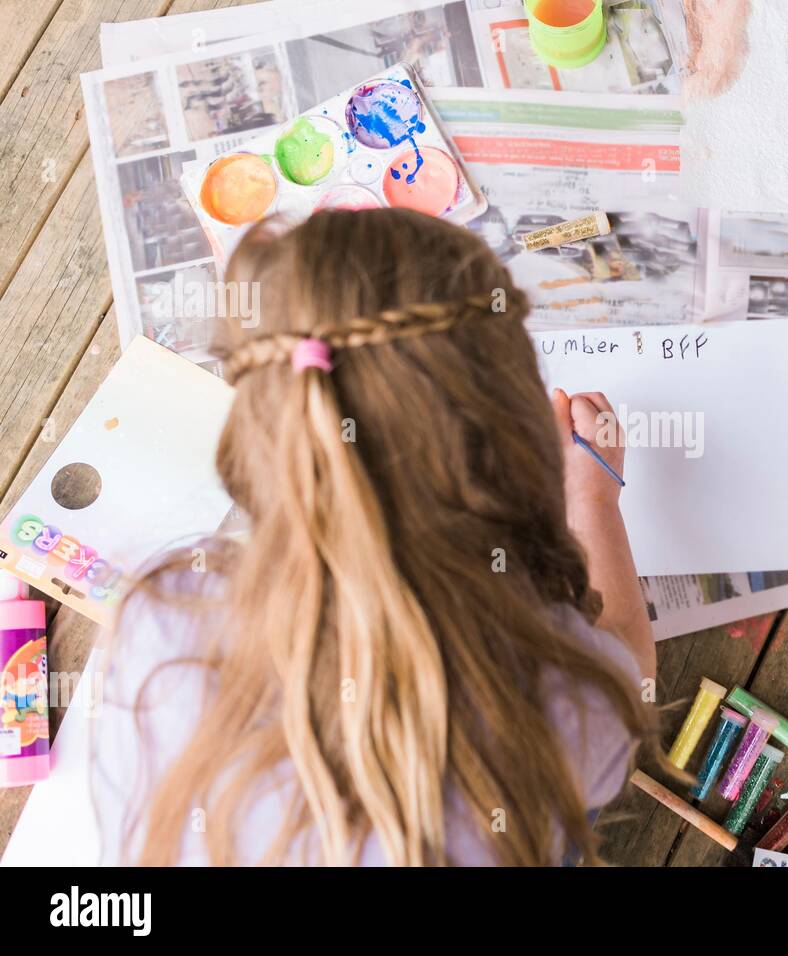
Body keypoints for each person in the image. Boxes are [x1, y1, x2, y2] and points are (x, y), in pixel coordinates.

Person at [94, 209, 656, 866]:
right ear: (515, 433)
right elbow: (629, 678)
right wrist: (592, 498)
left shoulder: (164, 615)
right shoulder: (561, 698)